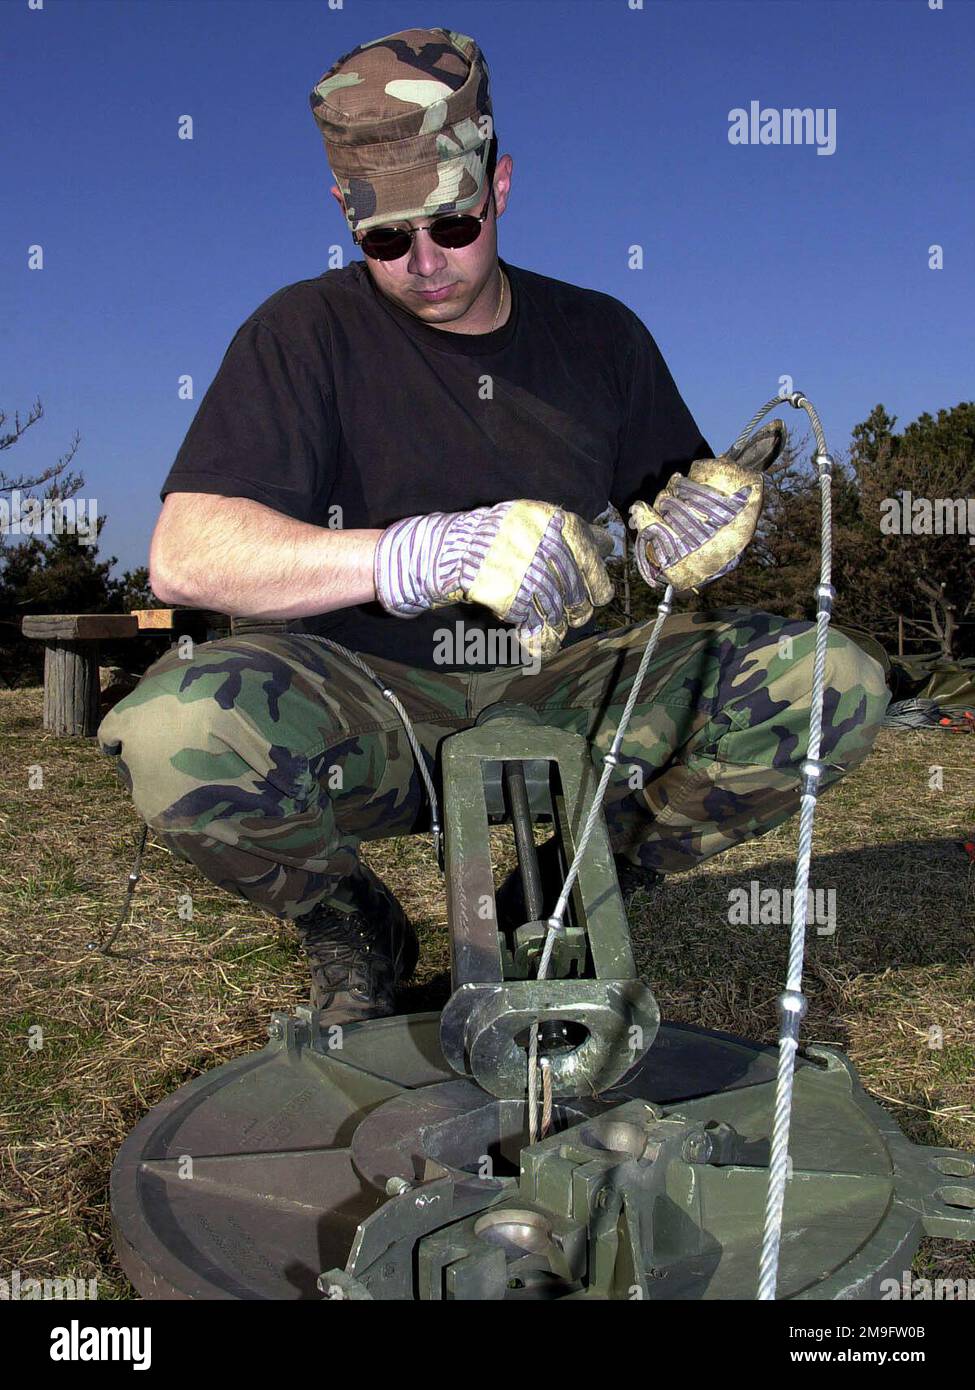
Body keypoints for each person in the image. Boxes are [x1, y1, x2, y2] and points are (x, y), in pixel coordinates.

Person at [98, 27, 889, 1023]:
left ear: (500, 185)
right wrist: (417, 553)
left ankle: (563, 897)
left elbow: (670, 523)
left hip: (556, 686)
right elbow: (185, 552)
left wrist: (698, 532)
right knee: (174, 731)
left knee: (832, 682)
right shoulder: (301, 333)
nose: (426, 264)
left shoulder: (600, 336)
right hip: (365, 700)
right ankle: (350, 921)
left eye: (454, 226)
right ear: (345, 215)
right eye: (387, 239)